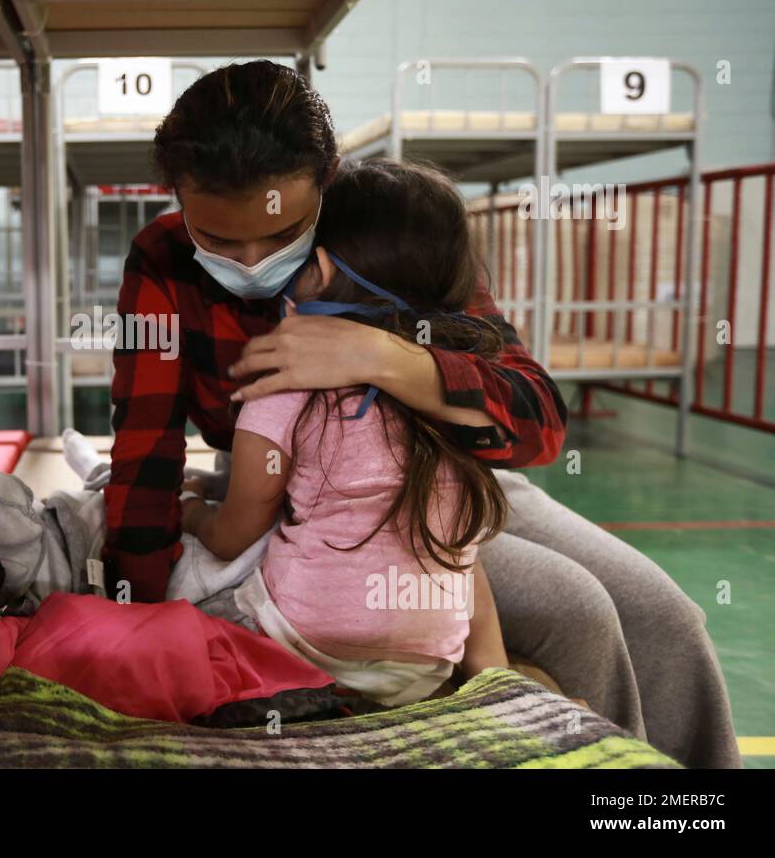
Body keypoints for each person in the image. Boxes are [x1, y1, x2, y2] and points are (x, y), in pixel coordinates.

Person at [105, 59, 740, 767]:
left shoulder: (387, 228)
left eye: (283, 238)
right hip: (290, 498)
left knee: (664, 617)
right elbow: (146, 451)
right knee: (577, 610)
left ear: (329, 182)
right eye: (220, 241)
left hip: (445, 476)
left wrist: (379, 357)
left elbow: (536, 419)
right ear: (179, 201)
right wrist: (138, 620)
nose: (253, 262)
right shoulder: (160, 261)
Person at [178, 159, 511, 707]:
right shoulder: (462, 390)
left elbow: (233, 533)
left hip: (304, 645)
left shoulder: (286, 381)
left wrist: (191, 509)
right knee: (453, 539)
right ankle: (494, 682)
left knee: (196, 584)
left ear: (321, 268)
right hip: (427, 663)